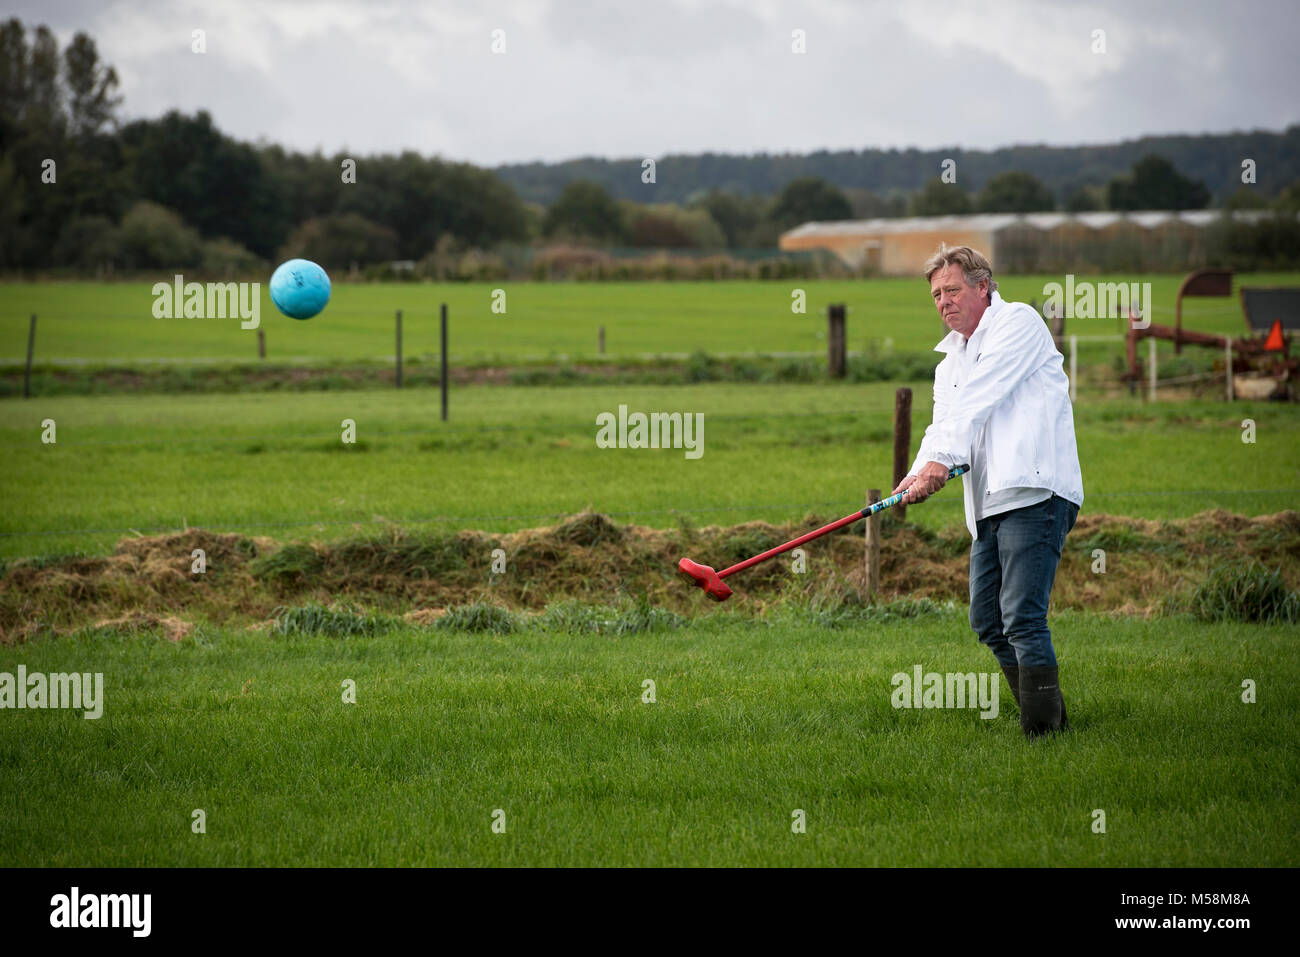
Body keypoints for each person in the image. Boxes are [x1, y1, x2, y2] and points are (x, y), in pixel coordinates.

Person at [893, 244, 1084, 739]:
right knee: (987, 621)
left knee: (1021, 616)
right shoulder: (947, 363)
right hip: (986, 504)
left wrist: (939, 463)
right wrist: (917, 476)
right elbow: (945, 427)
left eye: (952, 289)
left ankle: (1042, 734)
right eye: (936, 294)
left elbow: (981, 397)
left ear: (983, 286)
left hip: (1034, 491)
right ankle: (1053, 720)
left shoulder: (1017, 323)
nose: (943, 301)